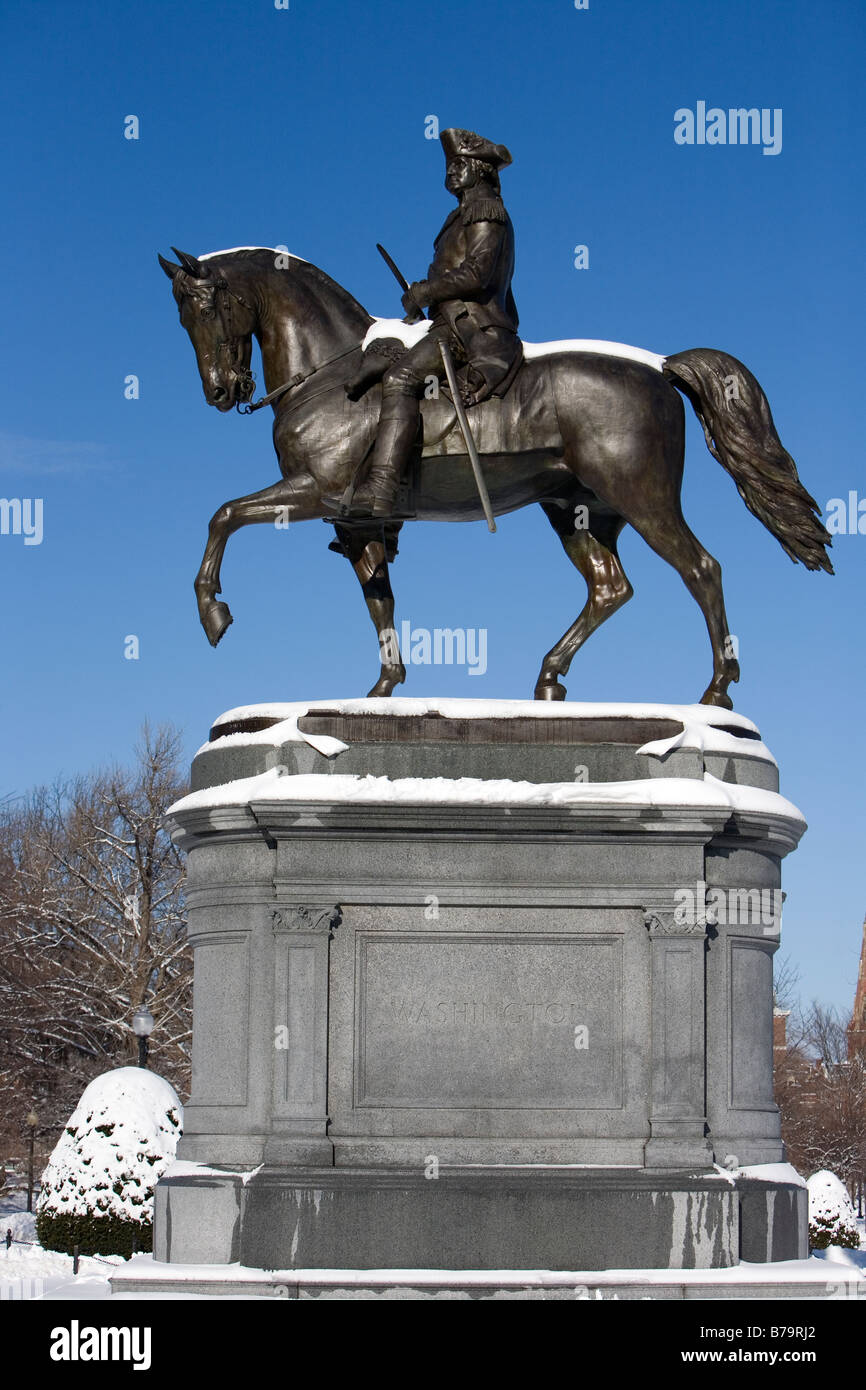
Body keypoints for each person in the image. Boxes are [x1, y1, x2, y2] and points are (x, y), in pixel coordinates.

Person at [351, 127, 521, 517]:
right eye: (448, 165)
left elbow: (477, 274)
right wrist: (423, 300)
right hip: (452, 324)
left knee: (400, 379)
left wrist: (427, 291)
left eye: (459, 165)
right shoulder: (461, 214)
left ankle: (381, 490)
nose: (451, 172)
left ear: (479, 169)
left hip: (473, 331)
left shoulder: (483, 211)